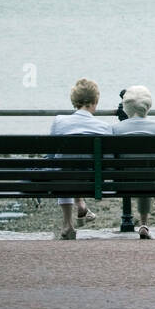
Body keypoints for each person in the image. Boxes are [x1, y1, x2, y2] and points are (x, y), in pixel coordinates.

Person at [49, 78, 111, 239]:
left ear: (74, 100)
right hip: (93, 182)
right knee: (74, 167)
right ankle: (80, 203)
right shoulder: (104, 127)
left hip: (63, 178)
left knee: (64, 167)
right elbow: (109, 160)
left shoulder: (59, 121)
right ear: (95, 100)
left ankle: (68, 224)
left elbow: (52, 154)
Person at [111, 85, 155, 239]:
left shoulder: (116, 128)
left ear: (125, 107)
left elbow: (112, 158)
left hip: (123, 182)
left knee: (140, 171)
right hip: (153, 179)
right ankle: (146, 221)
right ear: (148, 106)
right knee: (148, 170)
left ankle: (149, 217)